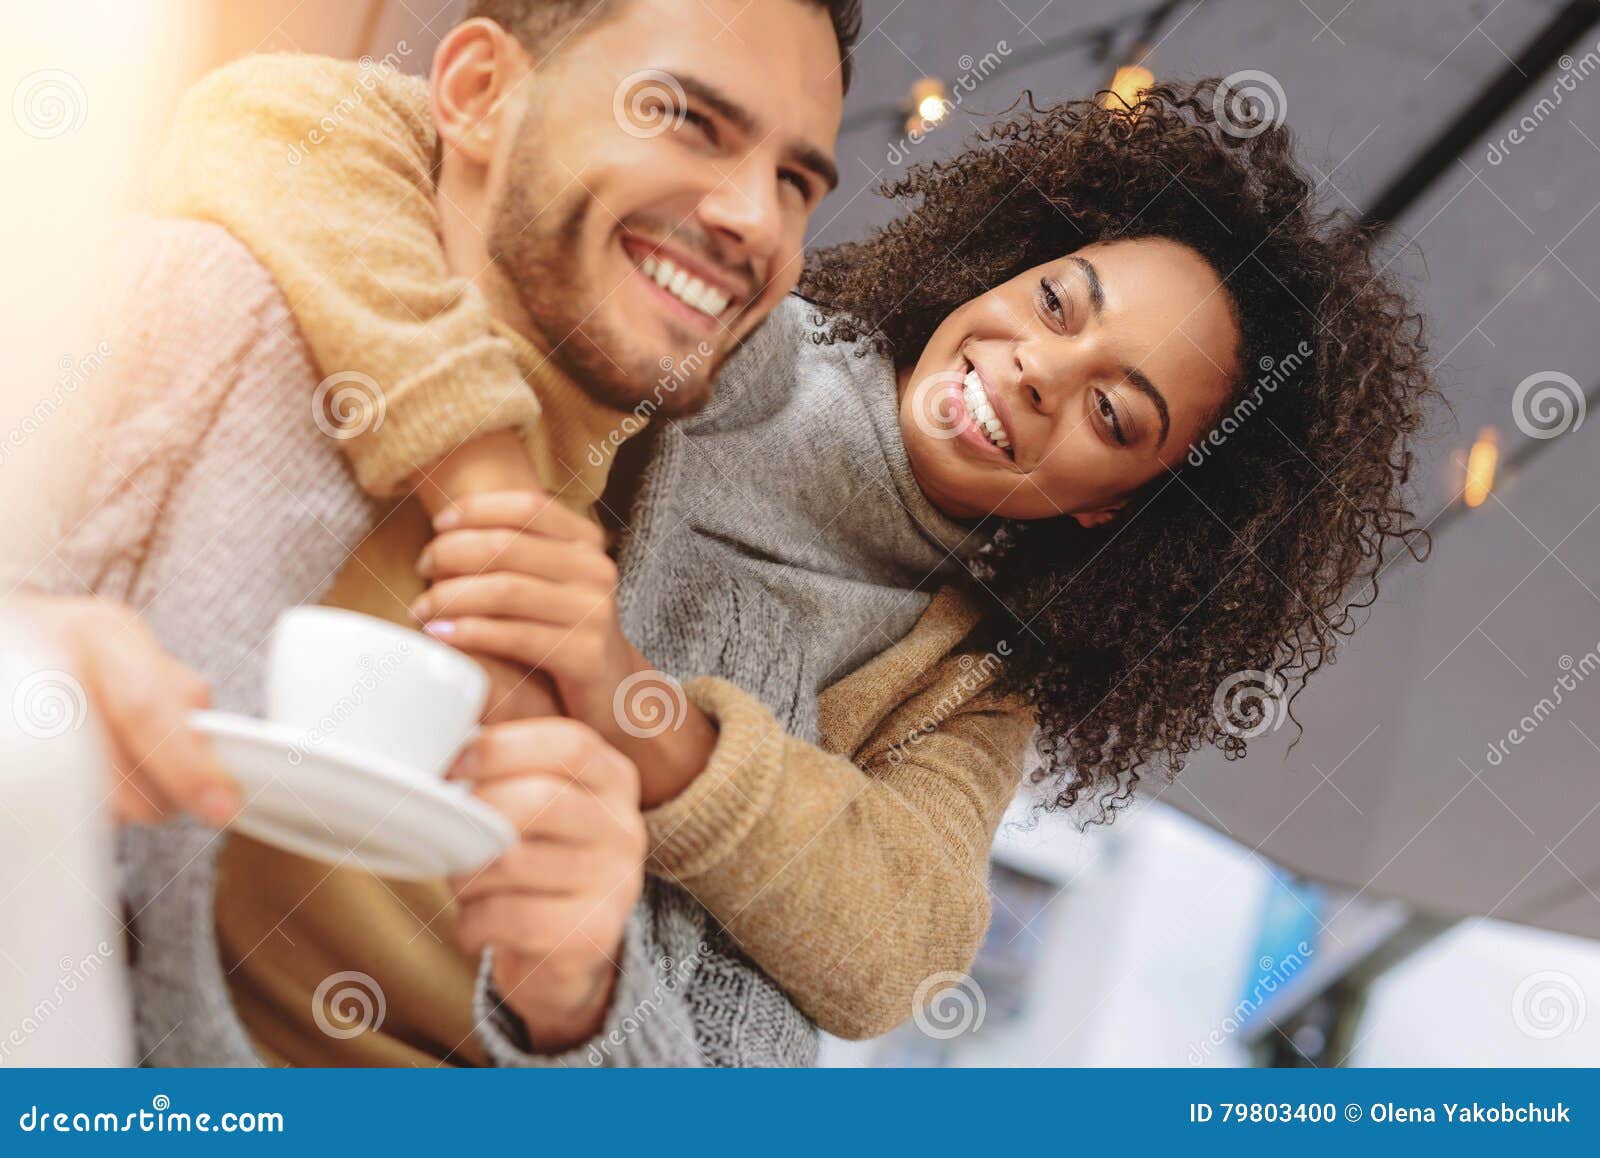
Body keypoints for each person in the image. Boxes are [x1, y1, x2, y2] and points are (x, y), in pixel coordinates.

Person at [133, 14, 1436, 1074]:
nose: (1038, 368)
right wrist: (485, 475)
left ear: (1120, 505)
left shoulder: (967, 670)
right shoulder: (722, 326)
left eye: (1112, 410)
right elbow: (299, 122)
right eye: (1057, 301)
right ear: (1004, 265)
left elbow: (900, 949)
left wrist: (645, 715)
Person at [14, 0, 872, 1067]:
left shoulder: (734, 653)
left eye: (796, 182)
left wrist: (582, 1005)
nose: (753, 217)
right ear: (476, 95)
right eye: (688, 119)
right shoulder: (180, 317)